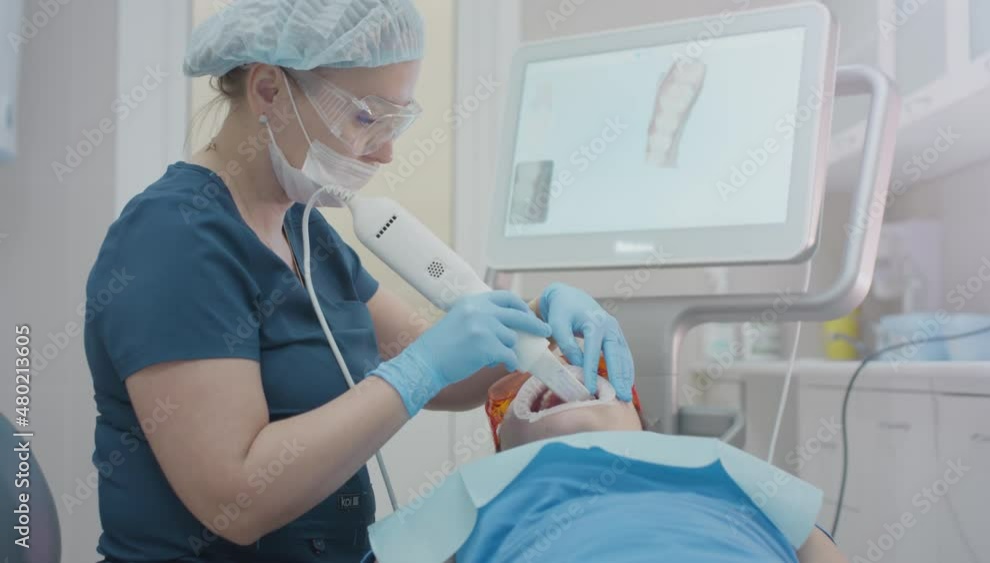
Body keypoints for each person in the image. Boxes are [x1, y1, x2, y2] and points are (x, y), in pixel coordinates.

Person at [82, 1, 634, 561]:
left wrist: (537, 320)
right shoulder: (174, 240)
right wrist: (419, 370)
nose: (388, 151)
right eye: (368, 118)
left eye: (398, 122)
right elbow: (236, 502)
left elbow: (447, 374)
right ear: (269, 91)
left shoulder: (304, 228)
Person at [363, 366, 848, 563]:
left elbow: (816, 549)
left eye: (593, 366)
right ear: (503, 445)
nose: (563, 366)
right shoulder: (484, 485)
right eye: (512, 392)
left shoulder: (712, 457)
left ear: (642, 423)